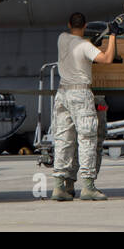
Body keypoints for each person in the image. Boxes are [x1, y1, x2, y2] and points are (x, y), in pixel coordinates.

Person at [50, 12, 117, 201]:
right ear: (85, 25)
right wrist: (112, 35)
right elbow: (107, 58)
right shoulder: (85, 46)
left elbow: (77, 43)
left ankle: (58, 186)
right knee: (87, 139)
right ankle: (88, 186)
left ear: (69, 24)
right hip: (80, 93)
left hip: (62, 94)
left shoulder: (62, 39)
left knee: (63, 139)